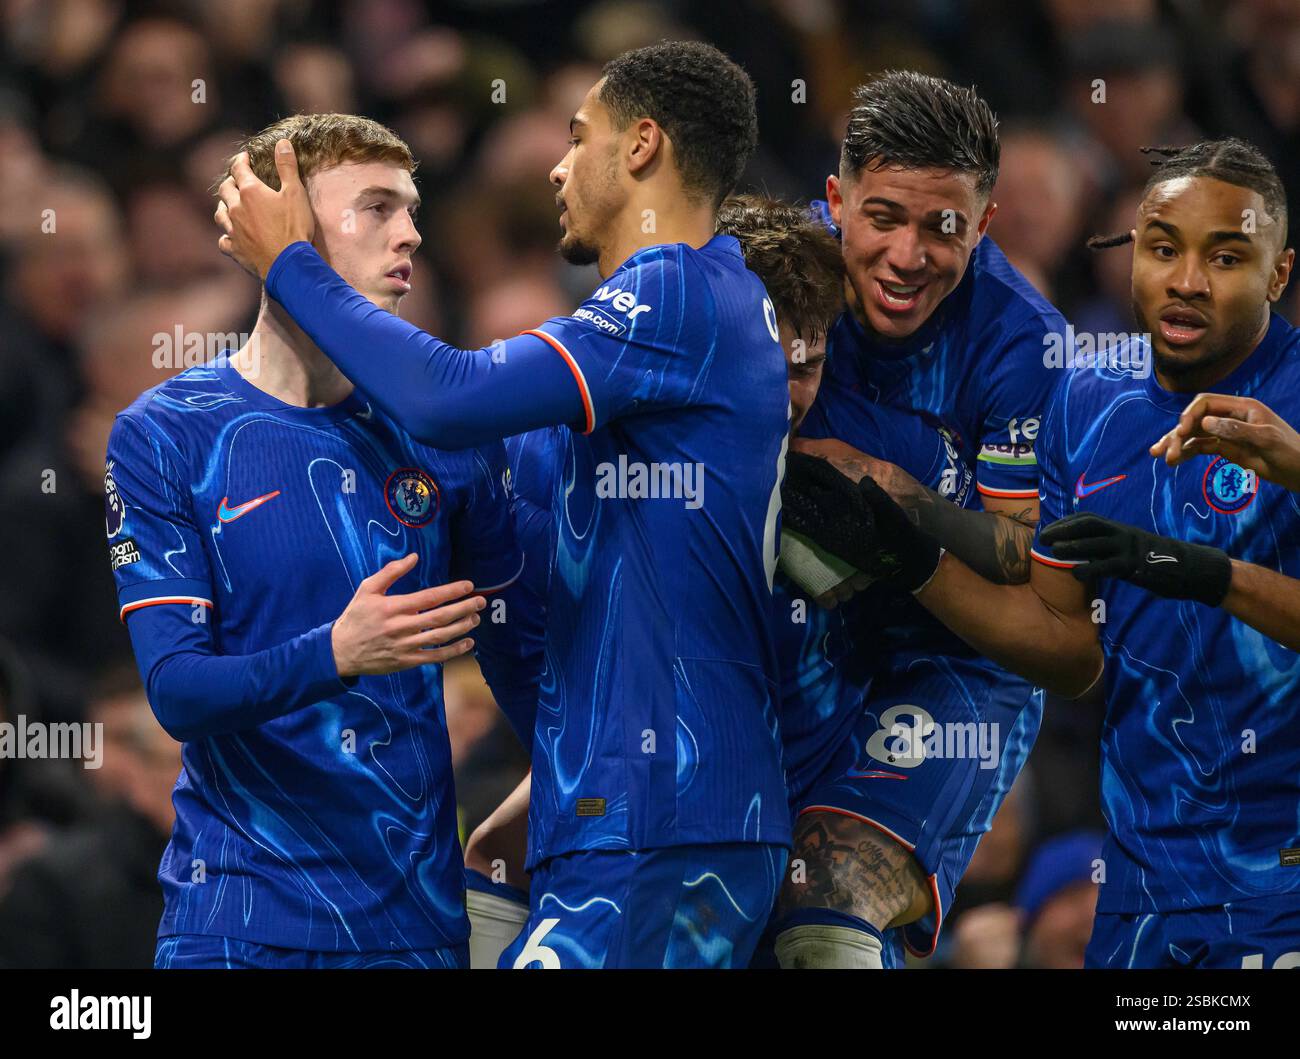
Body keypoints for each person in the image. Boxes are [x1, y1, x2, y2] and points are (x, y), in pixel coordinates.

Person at [216, 42, 793, 968]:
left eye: (579, 137)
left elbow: (449, 396)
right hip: (629, 806)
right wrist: (560, 771)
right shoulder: (658, 337)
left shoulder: (679, 290)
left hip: (665, 805)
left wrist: (291, 264)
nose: (560, 166)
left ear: (642, 145)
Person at [788, 138, 1300, 968]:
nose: (1188, 281)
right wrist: (912, 554)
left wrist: (1208, 572)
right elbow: (1068, 655)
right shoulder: (1087, 401)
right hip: (1143, 885)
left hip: (1281, 874)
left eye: (1228, 257)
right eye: (1164, 249)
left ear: (1278, 275)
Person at [109, 113, 540, 969]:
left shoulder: (447, 425)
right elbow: (179, 690)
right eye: (376, 206)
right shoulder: (166, 432)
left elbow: (526, 658)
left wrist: (552, 797)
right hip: (236, 915)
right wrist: (339, 650)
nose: (411, 231)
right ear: (287, 228)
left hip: (414, 925)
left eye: (413, 208)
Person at [460, 193, 848, 968]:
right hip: (651, 796)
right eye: (778, 366)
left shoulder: (842, 488)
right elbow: (519, 624)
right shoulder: (556, 454)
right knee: (492, 849)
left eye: (811, 365)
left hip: (762, 818)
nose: (793, 392)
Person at [772, 71, 1063, 969]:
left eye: (942, 227)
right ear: (835, 202)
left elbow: (1023, 556)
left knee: (826, 904)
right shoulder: (771, 273)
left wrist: (901, 497)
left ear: (983, 223)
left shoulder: (1022, 344)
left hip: (951, 655)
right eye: (883, 217)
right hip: (799, 629)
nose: (908, 254)